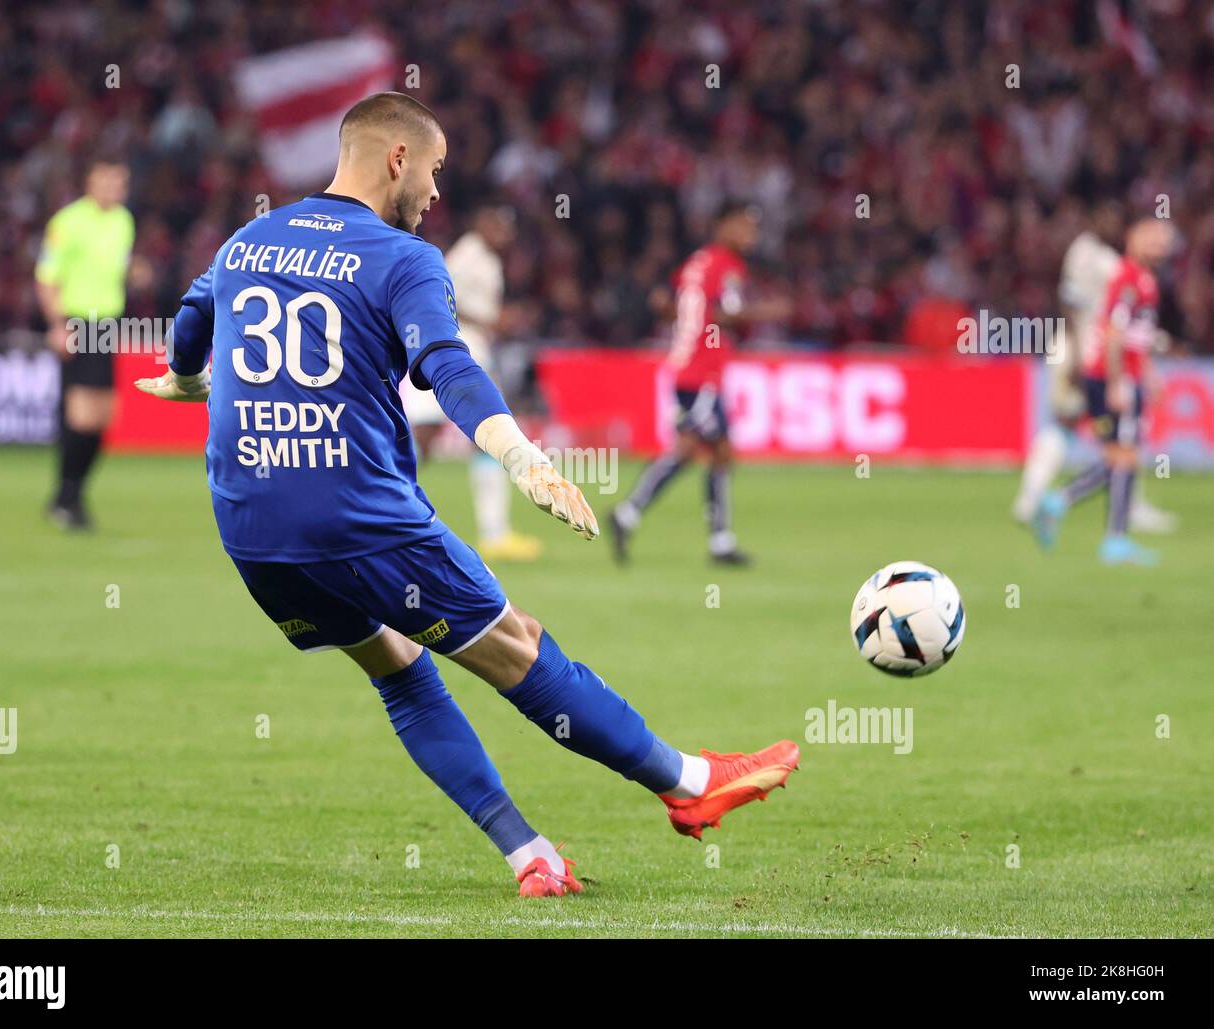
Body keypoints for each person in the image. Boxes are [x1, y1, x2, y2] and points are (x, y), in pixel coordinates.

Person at [135, 93, 799, 898]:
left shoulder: (247, 240)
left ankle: (530, 856)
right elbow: (447, 365)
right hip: (360, 516)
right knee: (517, 647)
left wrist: (183, 379)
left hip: (250, 524)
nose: (438, 194)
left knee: (399, 668)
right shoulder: (403, 258)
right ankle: (689, 782)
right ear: (397, 160)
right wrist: (523, 457)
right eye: (437, 172)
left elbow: (191, 316)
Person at [607, 202, 786, 566]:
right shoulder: (728, 266)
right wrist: (769, 311)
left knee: (696, 450)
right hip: (701, 373)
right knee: (712, 449)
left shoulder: (697, 263)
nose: (752, 235)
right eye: (746, 226)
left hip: (689, 369)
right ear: (725, 225)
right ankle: (710, 538)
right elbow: (725, 314)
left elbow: (673, 305)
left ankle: (634, 516)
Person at [401, 202, 542, 561]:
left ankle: (495, 533)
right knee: (427, 438)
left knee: (475, 440)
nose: (506, 235)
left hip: (465, 353)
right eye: (500, 226)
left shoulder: (488, 259)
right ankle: (377, 510)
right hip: (450, 353)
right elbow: (437, 298)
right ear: (484, 223)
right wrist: (488, 323)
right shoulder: (467, 255)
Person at [1032, 218, 1175, 565]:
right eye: (1151, 239)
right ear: (1131, 240)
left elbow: (1136, 339)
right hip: (1114, 379)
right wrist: (1117, 382)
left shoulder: (1146, 281)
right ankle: (1111, 537)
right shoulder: (1128, 278)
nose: (1158, 246)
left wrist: (1150, 376)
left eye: (1163, 241)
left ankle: (1062, 505)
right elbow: (1113, 332)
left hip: (1125, 376)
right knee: (1123, 458)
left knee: (1121, 458)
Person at [35, 158, 135, 529]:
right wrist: (57, 325)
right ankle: (66, 498)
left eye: (120, 181)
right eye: (108, 180)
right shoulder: (67, 222)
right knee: (80, 414)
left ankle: (69, 495)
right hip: (77, 322)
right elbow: (46, 277)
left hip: (107, 324)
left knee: (104, 416)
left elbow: (116, 270)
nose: (115, 188)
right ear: (91, 181)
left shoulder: (124, 221)